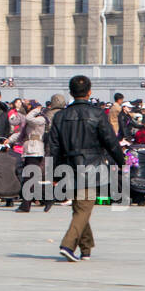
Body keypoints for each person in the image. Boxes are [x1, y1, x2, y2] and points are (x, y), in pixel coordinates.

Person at [45, 74, 126, 262]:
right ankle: (68, 244)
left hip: (68, 165)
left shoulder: (60, 116)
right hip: (91, 165)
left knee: (80, 206)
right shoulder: (97, 114)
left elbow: (54, 146)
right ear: (89, 92)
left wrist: (54, 171)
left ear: (71, 92)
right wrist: (121, 162)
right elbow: (110, 142)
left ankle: (86, 247)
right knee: (83, 208)